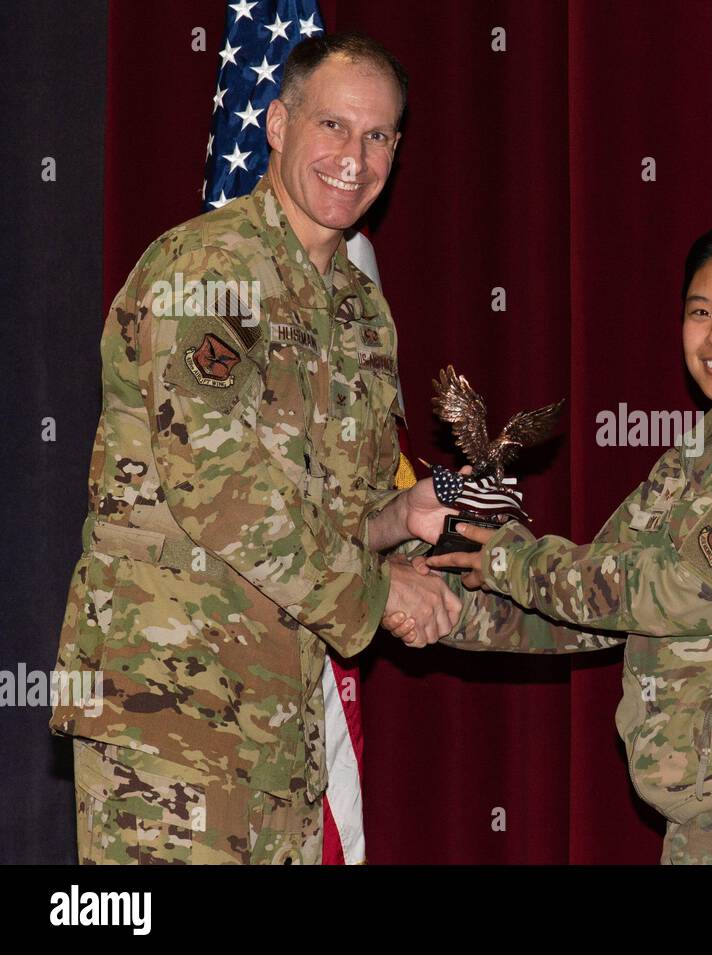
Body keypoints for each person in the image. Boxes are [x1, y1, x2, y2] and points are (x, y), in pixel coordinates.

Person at [50, 34, 459, 864]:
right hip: (169, 710)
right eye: (333, 126)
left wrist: (398, 518)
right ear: (276, 124)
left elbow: (331, 513)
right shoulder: (208, 267)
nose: (354, 157)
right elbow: (221, 492)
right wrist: (379, 597)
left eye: (378, 136)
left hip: (280, 721)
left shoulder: (359, 312)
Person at [390, 219, 712, 864]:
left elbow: (679, 589)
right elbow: (599, 612)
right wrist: (451, 604)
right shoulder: (703, 452)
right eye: (700, 312)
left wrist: (511, 559)